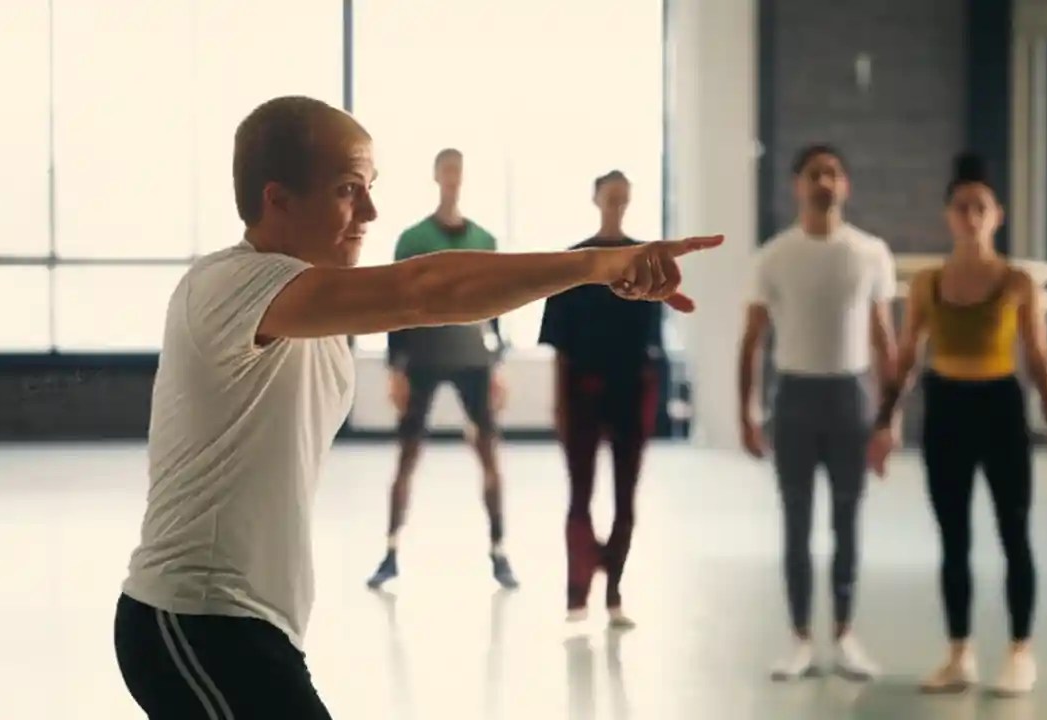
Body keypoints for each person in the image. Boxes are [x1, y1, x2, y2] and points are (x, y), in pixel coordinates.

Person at [112, 95, 722, 719]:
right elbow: (423, 292)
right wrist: (596, 262)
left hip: (250, 625)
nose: (371, 212)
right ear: (279, 199)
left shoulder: (308, 305)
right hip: (195, 620)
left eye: (371, 188)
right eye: (350, 189)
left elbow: (431, 294)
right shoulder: (230, 285)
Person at [867, 152, 1047, 696]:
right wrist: (885, 422)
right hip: (947, 410)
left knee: (1014, 533)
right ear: (949, 216)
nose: (972, 215)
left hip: (1001, 410)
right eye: (962, 207)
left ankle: (1019, 651)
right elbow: (907, 357)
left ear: (997, 215)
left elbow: (1039, 359)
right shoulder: (928, 284)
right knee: (953, 538)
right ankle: (959, 653)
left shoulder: (1017, 282)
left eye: (981, 206)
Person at [738, 143, 897, 682]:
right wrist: (747, 413)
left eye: (832, 172)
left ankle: (846, 634)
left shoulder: (870, 252)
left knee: (848, 520)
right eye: (814, 173)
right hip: (796, 398)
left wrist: (888, 418)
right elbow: (752, 341)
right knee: (797, 521)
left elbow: (883, 340)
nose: (824, 181)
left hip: (850, 397)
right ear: (797, 185)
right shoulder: (774, 255)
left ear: (845, 185)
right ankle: (800, 637)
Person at [366, 148, 517, 591]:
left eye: (457, 171)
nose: (451, 178)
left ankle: (499, 550)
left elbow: (497, 310)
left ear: (462, 177)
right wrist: (395, 368)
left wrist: (498, 366)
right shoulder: (412, 240)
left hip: (472, 358)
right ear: (436, 176)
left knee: (489, 453)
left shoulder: (484, 240)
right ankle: (390, 550)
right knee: (408, 456)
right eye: (445, 170)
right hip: (424, 356)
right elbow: (394, 305)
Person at [538, 171, 662, 628]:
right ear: (595, 198)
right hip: (582, 389)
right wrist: (557, 403)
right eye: (609, 197)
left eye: (622, 198)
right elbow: (559, 345)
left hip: (631, 388)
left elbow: (653, 337)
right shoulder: (575, 262)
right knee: (580, 494)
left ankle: (614, 592)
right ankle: (577, 594)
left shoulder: (642, 259)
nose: (616, 204)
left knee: (626, 497)